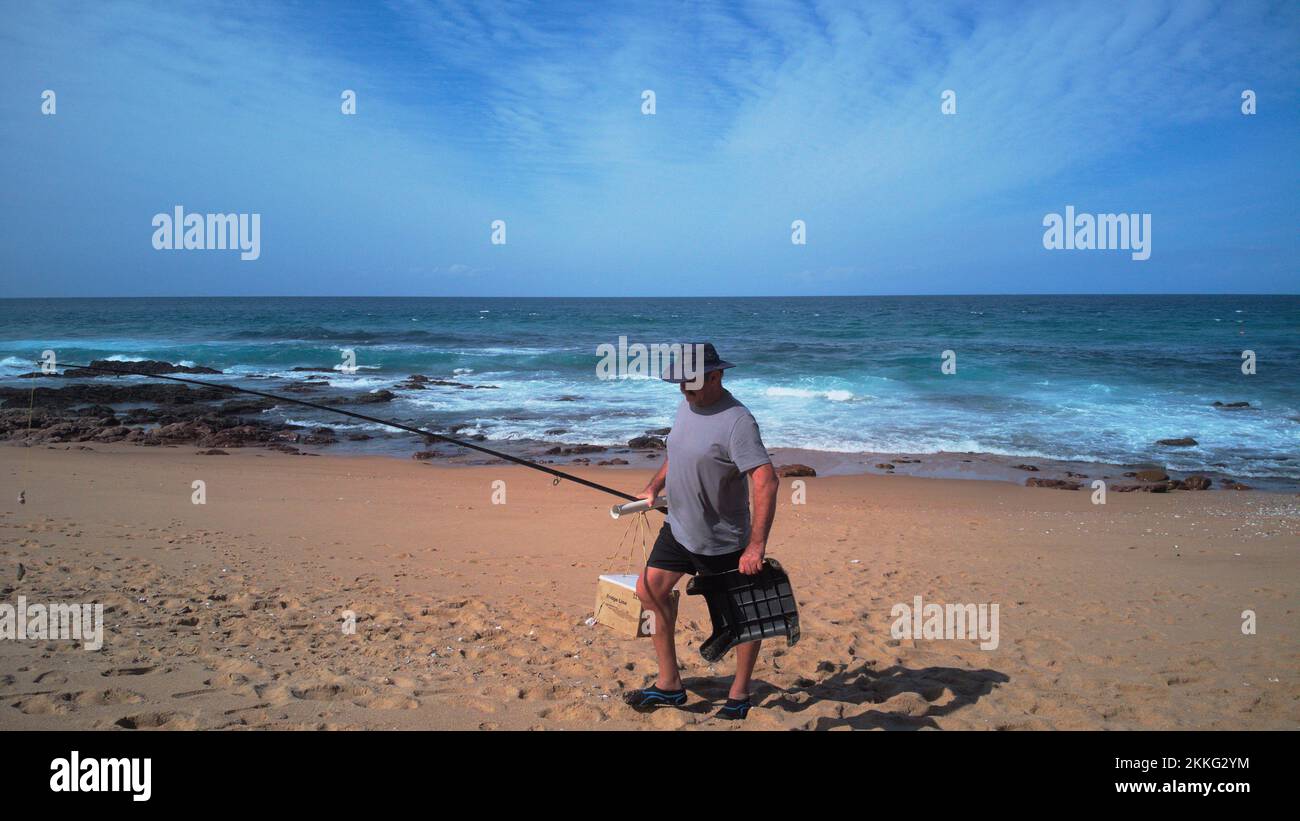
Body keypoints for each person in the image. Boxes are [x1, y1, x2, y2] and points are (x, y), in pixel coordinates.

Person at [624, 342, 778, 720]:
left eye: (691, 383)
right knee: (649, 589)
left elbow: (766, 480)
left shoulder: (738, 421)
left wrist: (755, 547)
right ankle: (670, 686)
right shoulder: (687, 404)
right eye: (680, 383)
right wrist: (653, 488)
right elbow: (676, 453)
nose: (683, 390)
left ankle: (740, 694)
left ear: (716, 375)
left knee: (742, 619)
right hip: (678, 527)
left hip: (722, 539)